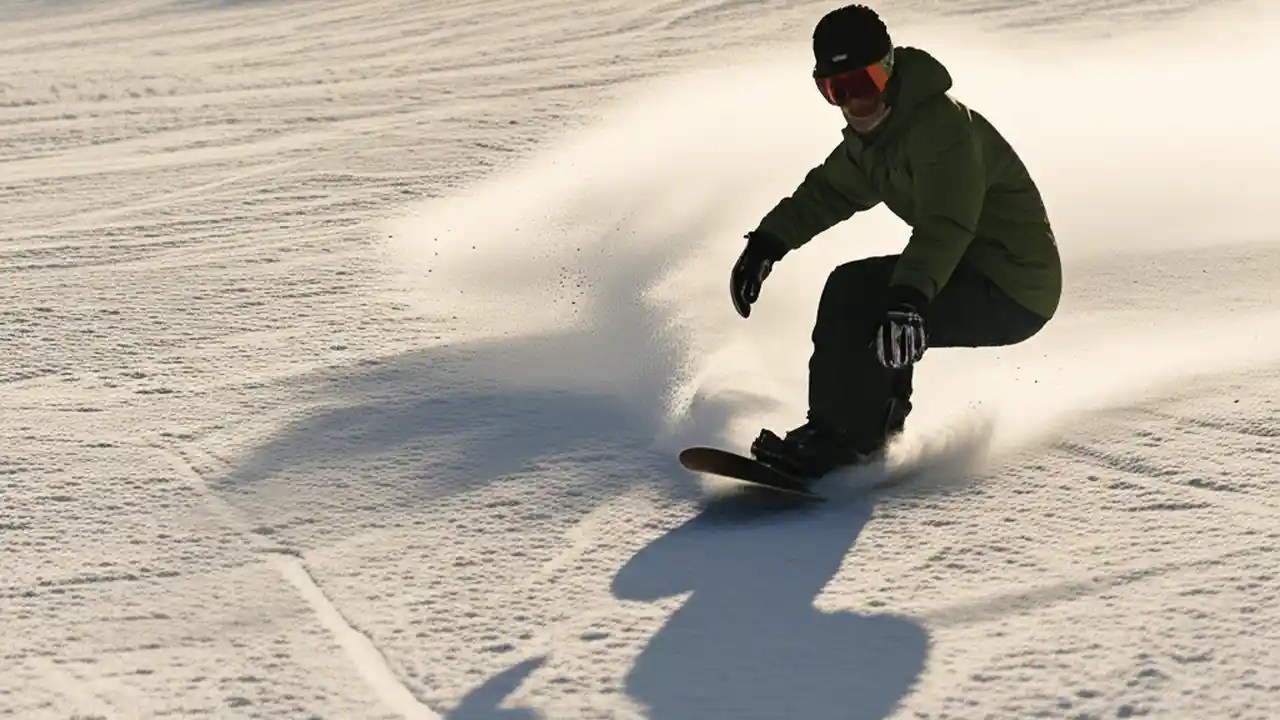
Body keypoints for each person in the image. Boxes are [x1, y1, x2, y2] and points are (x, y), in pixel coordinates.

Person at [730, 3, 1062, 481]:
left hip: (1012, 286)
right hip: (964, 268)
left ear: (888, 71)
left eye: (864, 84)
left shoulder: (941, 130)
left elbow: (945, 225)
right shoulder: (876, 139)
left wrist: (908, 300)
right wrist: (766, 244)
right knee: (851, 288)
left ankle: (847, 440)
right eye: (837, 90)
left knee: (871, 301)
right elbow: (829, 191)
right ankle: (856, 433)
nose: (855, 103)